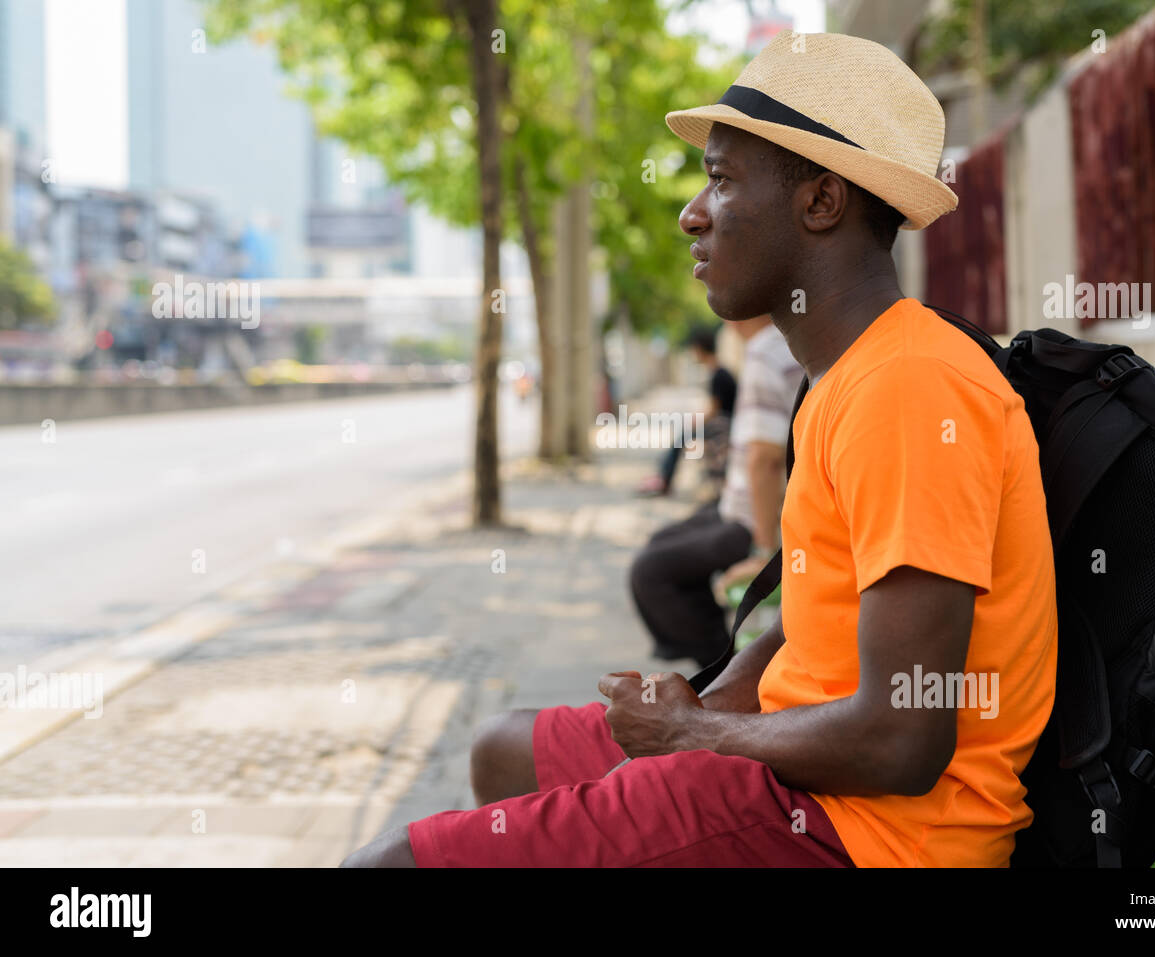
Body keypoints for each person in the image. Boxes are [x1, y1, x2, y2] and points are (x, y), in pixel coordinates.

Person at [343, 30, 1056, 868]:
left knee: (388, 863)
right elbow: (814, 629)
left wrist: (694, 732)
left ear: (821, 201)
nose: (692, 212)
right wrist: (714, 698)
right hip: (816, 781)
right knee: (504, 748)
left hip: (871, 834)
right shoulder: (846, 373)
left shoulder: (912, 389)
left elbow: (903, 739)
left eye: (721, 181)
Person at [628, 313, 802, 666]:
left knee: (650, 571)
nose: (698, 257)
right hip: (736, 507)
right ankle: (727, 662)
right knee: (659, 545)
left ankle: (723, 672)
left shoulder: (767, 351)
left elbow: (766, 460)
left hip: (755, 521)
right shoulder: (775, 347)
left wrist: (763, 551)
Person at [634, 325, 736, 496]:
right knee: (684, 433)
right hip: (725, 422)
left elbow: (713, 410)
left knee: (683, 435)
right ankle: (663, 477)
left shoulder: (719, 374)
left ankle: (664, 480)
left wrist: (694, 422)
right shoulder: (719, 372)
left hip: (725, 425)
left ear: (700, 349)